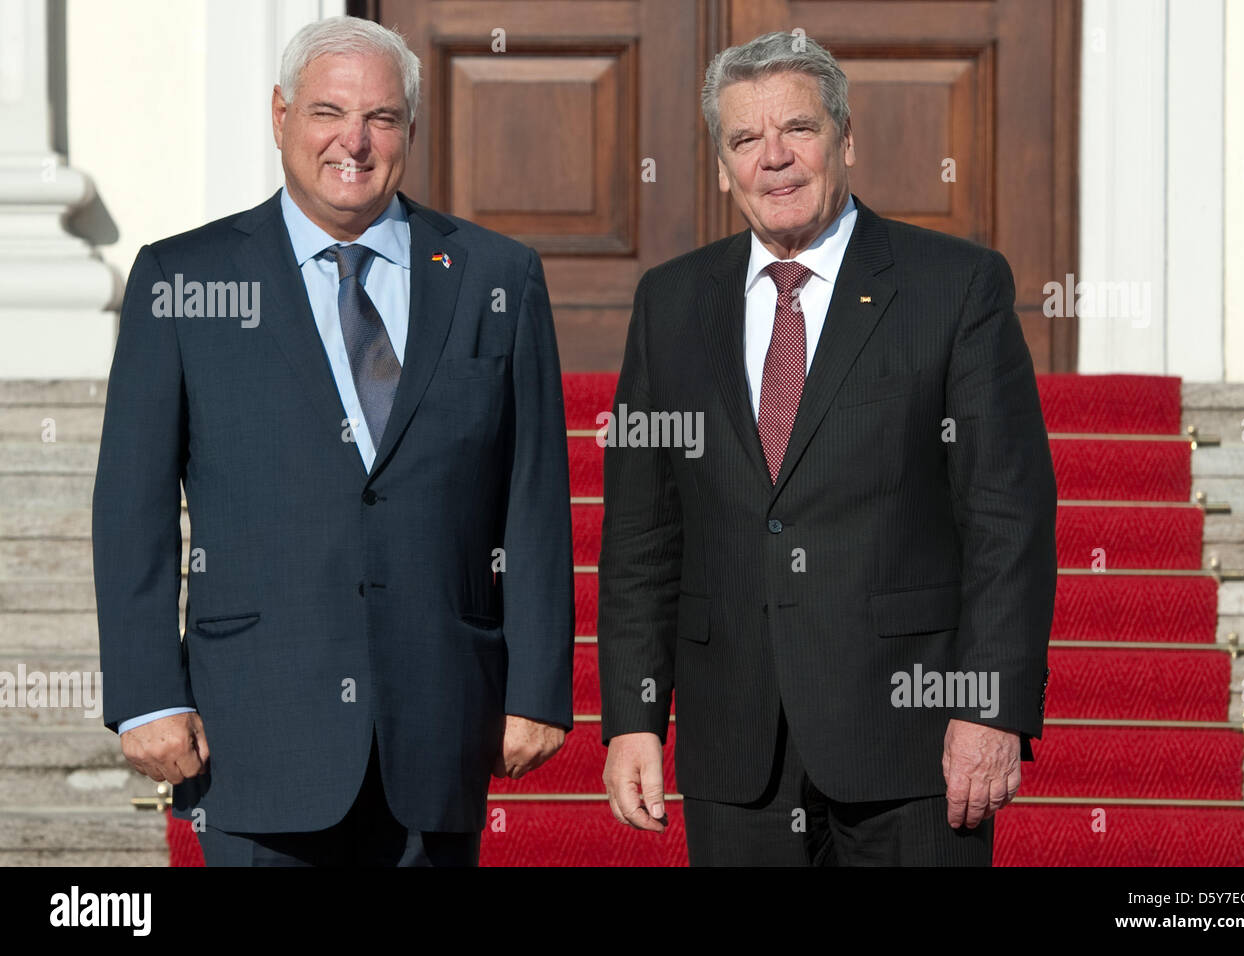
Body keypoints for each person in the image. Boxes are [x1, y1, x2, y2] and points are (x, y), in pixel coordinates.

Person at [92, 15, 574, 866]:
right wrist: (144, 696)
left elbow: (533, 498)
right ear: (280, 118)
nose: (354, 141)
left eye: (382, 119)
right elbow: (133, 507)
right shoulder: (181, 279)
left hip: (437, 730)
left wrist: (536, 687)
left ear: (409, 133)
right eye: (327, 112)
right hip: (252, 732)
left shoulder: (497, 277)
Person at [598, 31, 1056, 866]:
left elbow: (1006, 516)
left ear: (847, 138)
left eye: (797, 131)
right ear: (722, 161)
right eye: (745, 139)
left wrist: (989, 707)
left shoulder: (956, 286)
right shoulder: (669, 304)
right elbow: (640, 536)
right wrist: (633, 716)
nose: (773, 158)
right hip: (737, 751)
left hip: (911, 747)